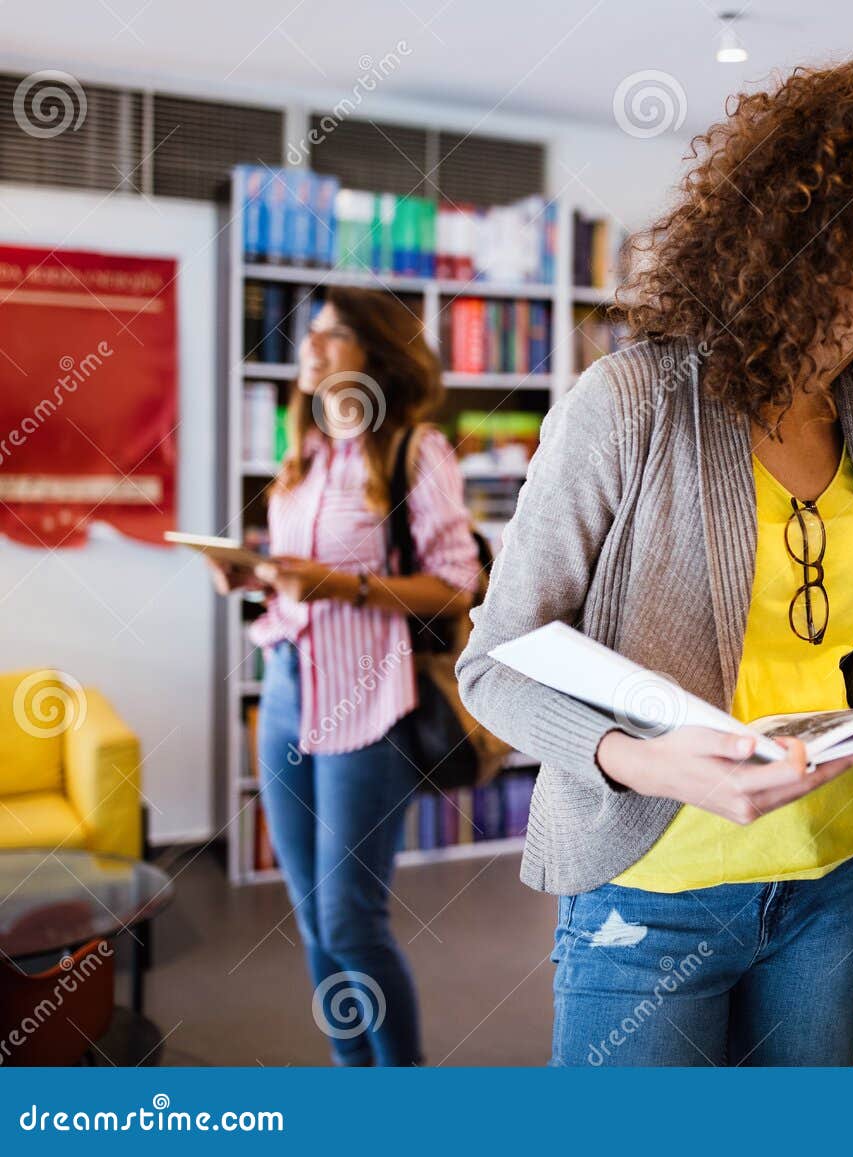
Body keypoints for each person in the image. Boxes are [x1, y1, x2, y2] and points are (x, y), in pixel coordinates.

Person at [456, 56, 853, 1066]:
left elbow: (850, 662)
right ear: (810, 212)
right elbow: (493, 659)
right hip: (652, 893)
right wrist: (640, 758)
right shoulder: (631, 402)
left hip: (824, 881)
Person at [207, 287, 481, 1066]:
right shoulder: (307, 452)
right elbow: (296, 572)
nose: (312, 345)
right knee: (314, 922)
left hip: (372, 697)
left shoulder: (413, 451)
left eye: (334, 334)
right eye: (312, 332)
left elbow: (460, 582)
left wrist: (337, 586)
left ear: (376, 354)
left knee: (352, 920)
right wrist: (255, 576)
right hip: (289, 689)